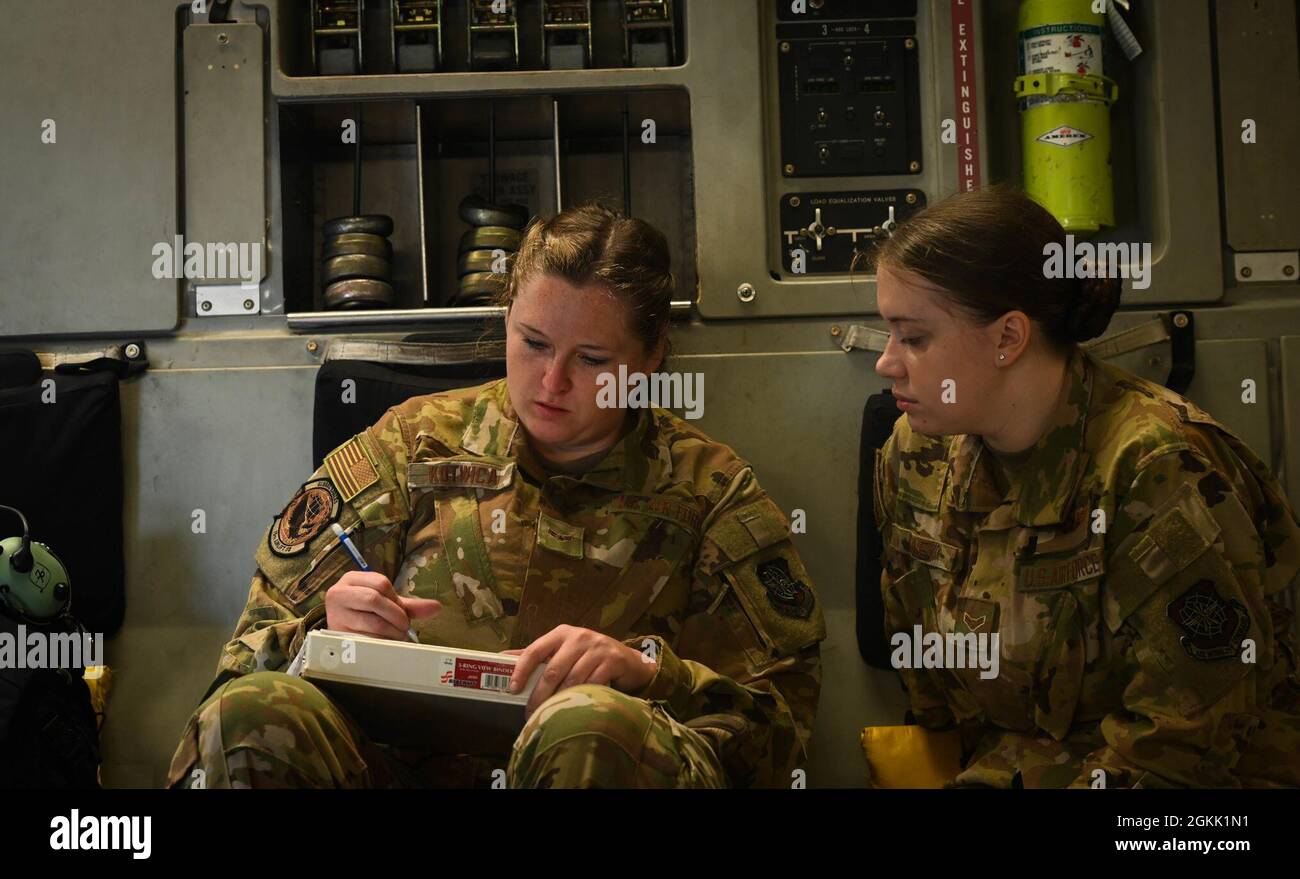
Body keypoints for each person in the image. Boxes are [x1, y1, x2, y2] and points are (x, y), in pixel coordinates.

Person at [165, 202, 825, 789]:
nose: (552, 380)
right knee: (253, 713)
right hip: (395, 766)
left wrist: (650, 673)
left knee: (587, 723)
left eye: (592, 359)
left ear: (650, 356)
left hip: (598, 759)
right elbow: (237, 669)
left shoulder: (707, 492)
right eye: (532, 342)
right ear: (507, 316)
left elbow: (783, 738)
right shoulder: (410, 447)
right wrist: (322, 634)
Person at [867, 185, 1300, 788]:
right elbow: (929, 681)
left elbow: (1190, 734)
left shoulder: (1153, 466)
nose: (887, 362)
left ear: (1007, 339)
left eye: (913, 337)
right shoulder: (917, 454)